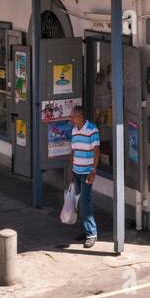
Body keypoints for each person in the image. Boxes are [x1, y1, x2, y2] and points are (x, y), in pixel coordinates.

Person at [67, 105, 100, 248]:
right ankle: (86, 231)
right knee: (79, 201)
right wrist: (71, 169)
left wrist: (93, 170)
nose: (71, 119)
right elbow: (73, 150)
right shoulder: (74, 130)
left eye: (73, 116)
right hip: (77, 170)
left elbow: (96, 151)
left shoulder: (92, 130)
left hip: (87, 172)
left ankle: (92, 234)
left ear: (80, 116)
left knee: (84, 202)